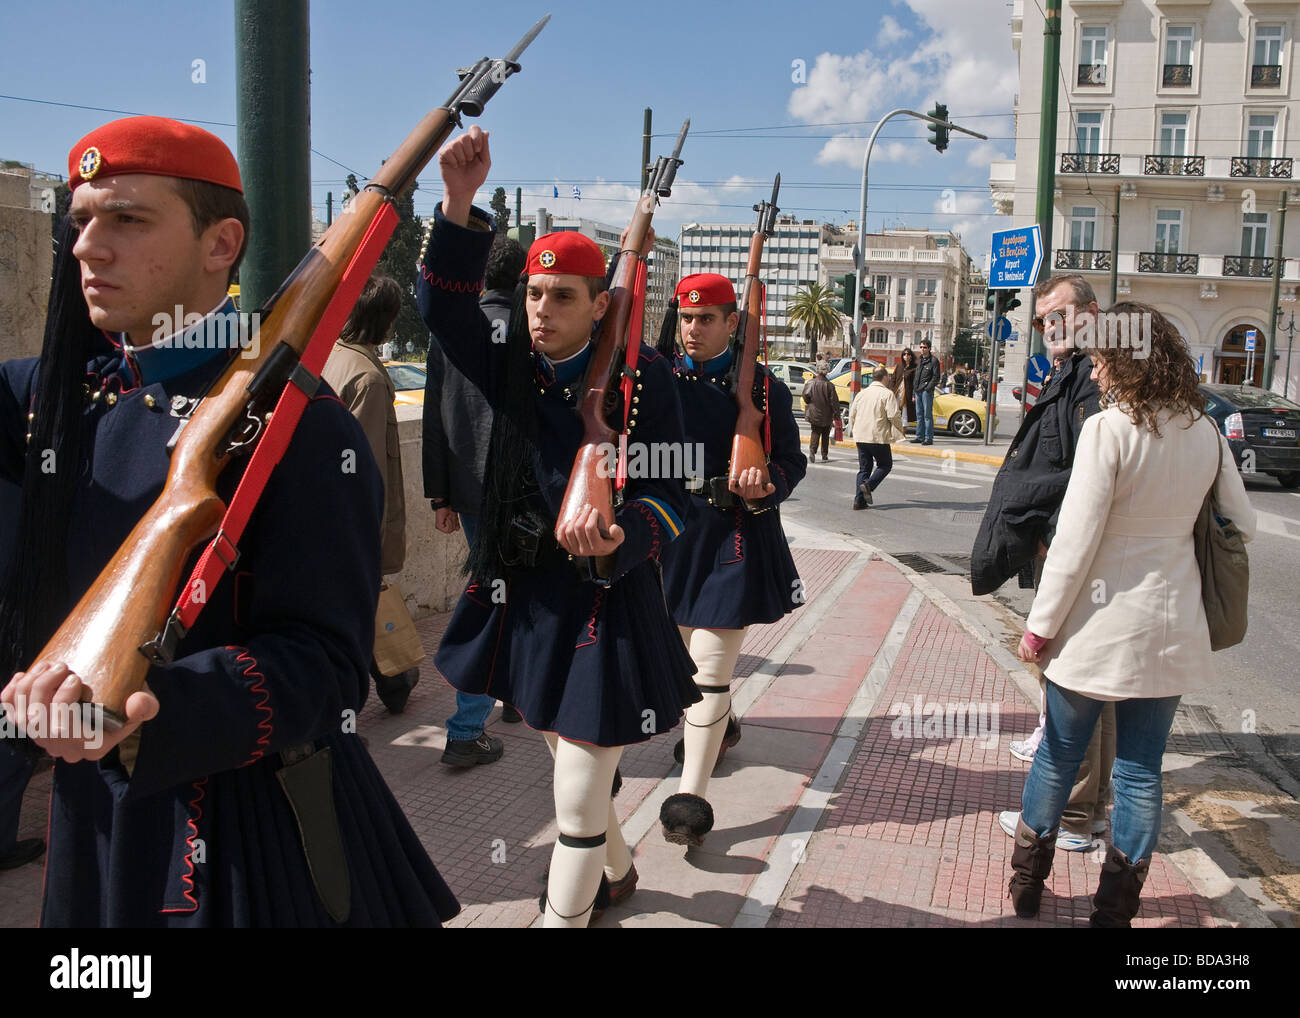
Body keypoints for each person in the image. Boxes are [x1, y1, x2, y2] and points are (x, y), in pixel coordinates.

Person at [0, 116, 458, 926]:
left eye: (128, 219)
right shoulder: (57, 398)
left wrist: (148, 712)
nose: (88, 247)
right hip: (97, 819)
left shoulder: (303, 426)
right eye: (81, 221)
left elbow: (325, 669)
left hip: (238, 830)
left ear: (222, 245)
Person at [417, 125, 698, 927]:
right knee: (559, 749)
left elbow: (676, 498)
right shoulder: (506, 358)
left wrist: (624, 536)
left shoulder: (646, 387)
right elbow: (441, 304)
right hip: (524, 593)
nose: (541, 310)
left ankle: (561, 918)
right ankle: (617, 866)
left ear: (598, 303)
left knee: (577, 786)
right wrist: (459, 204)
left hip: (603, 602)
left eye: (561, 297)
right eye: (535, 295)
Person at [1006, 302, 1255, 926]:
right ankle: (1115, 908)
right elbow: (1242, 524)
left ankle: (1027, 888)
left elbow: (1075, 543)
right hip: (1171, 627)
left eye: (1101, 359)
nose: (1094, 371)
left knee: (1059, 753)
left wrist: (1038, 628)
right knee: (1141, 769)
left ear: (1127, 359)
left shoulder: (1108, 429)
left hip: (1097, 626)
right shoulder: (1203, 430)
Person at [654, 272, 807, 847]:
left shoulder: (765, 390)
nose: (693, 330)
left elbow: (792, 461)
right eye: (686, 319)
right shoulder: (653, 380)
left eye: (707, 319)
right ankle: (722, 728)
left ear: (732, 323)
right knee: (685, 660)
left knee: (710, 670)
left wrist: (768, 481)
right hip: (668, 533)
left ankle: (689, 799)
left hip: (731, 538)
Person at [973, 274, 1110, 850]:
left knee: (1077, 680)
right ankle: (1083, 808)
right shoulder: (1070, 371)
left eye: (1059, 314)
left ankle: (1076, 816)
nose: (1050, 326)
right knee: (1075, 679)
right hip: (1061, 544)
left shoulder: (1095, 378)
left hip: (1079, 553)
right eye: (1042, 319)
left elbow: (1089, 476)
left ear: (1091, 313)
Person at [422, 234, 529, 765]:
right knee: (506, 594)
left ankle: (506, 695)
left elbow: (433, 416)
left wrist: (440, 492)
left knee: (493, 589)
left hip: (467, 488)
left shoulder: (451, 330)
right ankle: (466, 726)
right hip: (526, 489)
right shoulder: (535, 329)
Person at [321, 276, 422, 716]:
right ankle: (392, 682)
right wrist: (370, 544)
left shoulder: (332, 357)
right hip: (349, 522)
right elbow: (365, 468)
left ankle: (391, 682)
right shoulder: (369, 378)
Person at [847, 365, 903, 509]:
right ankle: (869, 485)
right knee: (885, 465)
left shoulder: (861, 393)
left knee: (864, 469)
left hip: (861, 435)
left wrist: (854, 430)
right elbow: (893, 415)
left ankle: (859, 501)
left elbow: (852, 413)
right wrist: (899, 428)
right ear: (885, 378)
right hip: (877, 435)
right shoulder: (887, 394)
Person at [801, 360, 836, 462]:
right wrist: (837, 415)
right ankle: (824, 455)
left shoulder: (810, 383)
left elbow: (805, 396)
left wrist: (810, 403)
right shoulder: (829, 385)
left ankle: (812, 450)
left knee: (815, 432)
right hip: (827, 414)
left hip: (814, 413)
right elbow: (834, 402)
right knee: (825, 435)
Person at [911, 339, 939, 445]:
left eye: (925, 347)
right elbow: (916, 377)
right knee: (919, 415)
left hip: (926, 391)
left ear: (929, 348)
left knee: (927, 415)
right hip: (918, 391)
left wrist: (928, 388)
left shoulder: (934, 361)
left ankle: (928, 438)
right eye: (921, 347)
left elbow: (936, 377)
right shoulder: (919, 360)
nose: (922, 349)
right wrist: (914, 392)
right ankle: (919, 436)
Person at [895, 347, 917, 428]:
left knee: (905, 414)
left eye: (908, 354)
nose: (906, 356)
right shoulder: (899, 366)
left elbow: (915, 383)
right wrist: (890, 391)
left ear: (911, 356)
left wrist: (913, 395)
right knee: (894, 412)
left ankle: (903, 433)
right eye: (904, 354)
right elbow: (893, 379)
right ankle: (894, 432)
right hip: (897, 392)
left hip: (907, 394)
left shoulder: (914, 368)